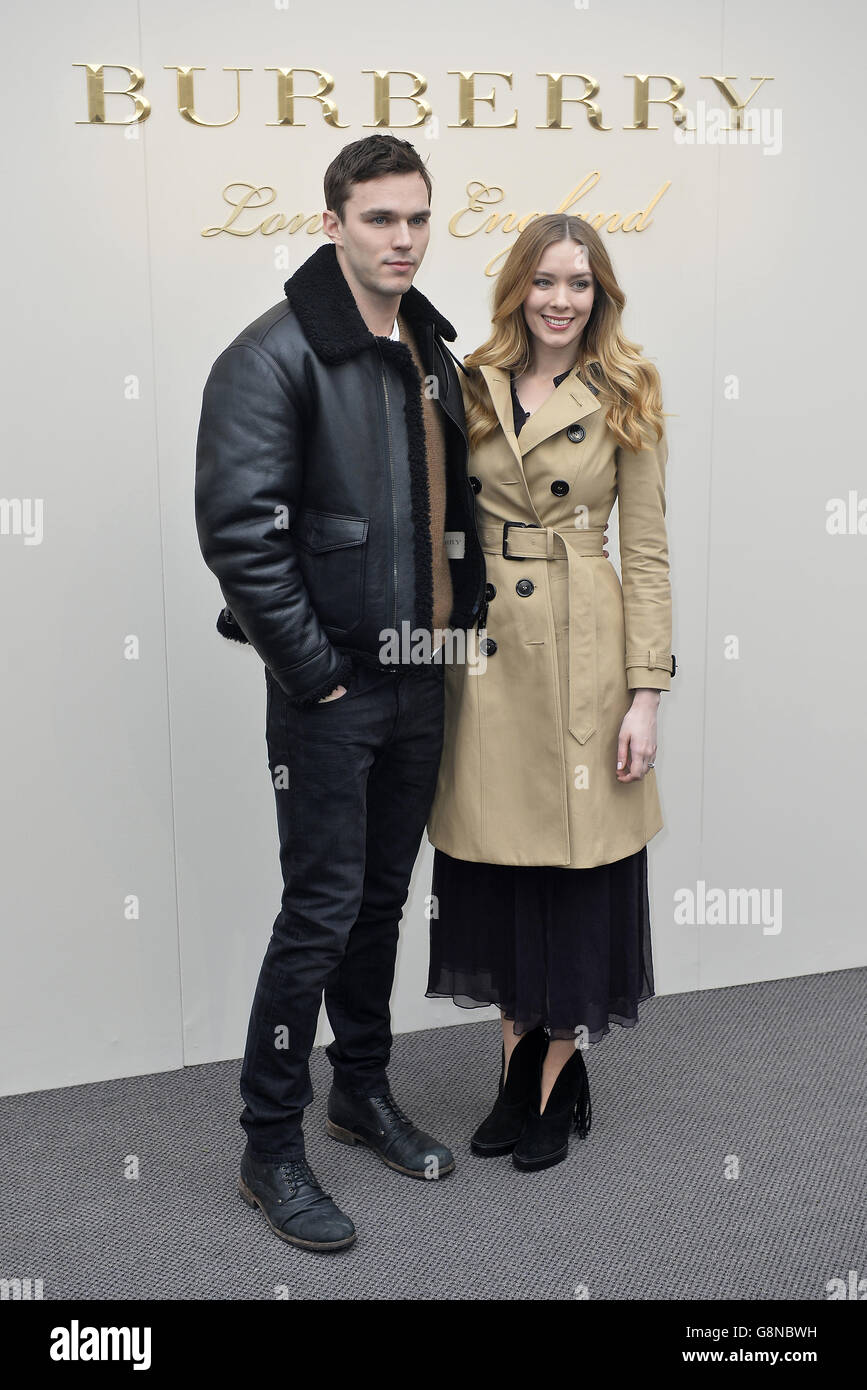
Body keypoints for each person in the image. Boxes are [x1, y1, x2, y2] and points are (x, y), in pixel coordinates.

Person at [194, 134, 486, 1251]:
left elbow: (447, 514)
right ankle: (270, 1148)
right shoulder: (270, 357)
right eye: (379, 219)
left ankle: (358, 1092)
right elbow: (239, 535)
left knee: (379, 905)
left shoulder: (427, 349)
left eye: (417, 217)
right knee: (316, 917)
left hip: (422, 679)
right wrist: (312, 676)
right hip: (331, 694)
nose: (403, 238)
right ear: (334, 224)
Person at [425, 213, 676, 1172]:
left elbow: (645, 555)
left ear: (599, 293)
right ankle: (516, 1066)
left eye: (578, 283)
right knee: (495, 863)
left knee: (576, 868)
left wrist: (644, 693)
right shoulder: (467, 383)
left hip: (586, 646)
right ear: (516, 290)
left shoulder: (627, 391)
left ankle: (552, 1071)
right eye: (543, 282)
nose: (560, 300)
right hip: (488, 654)